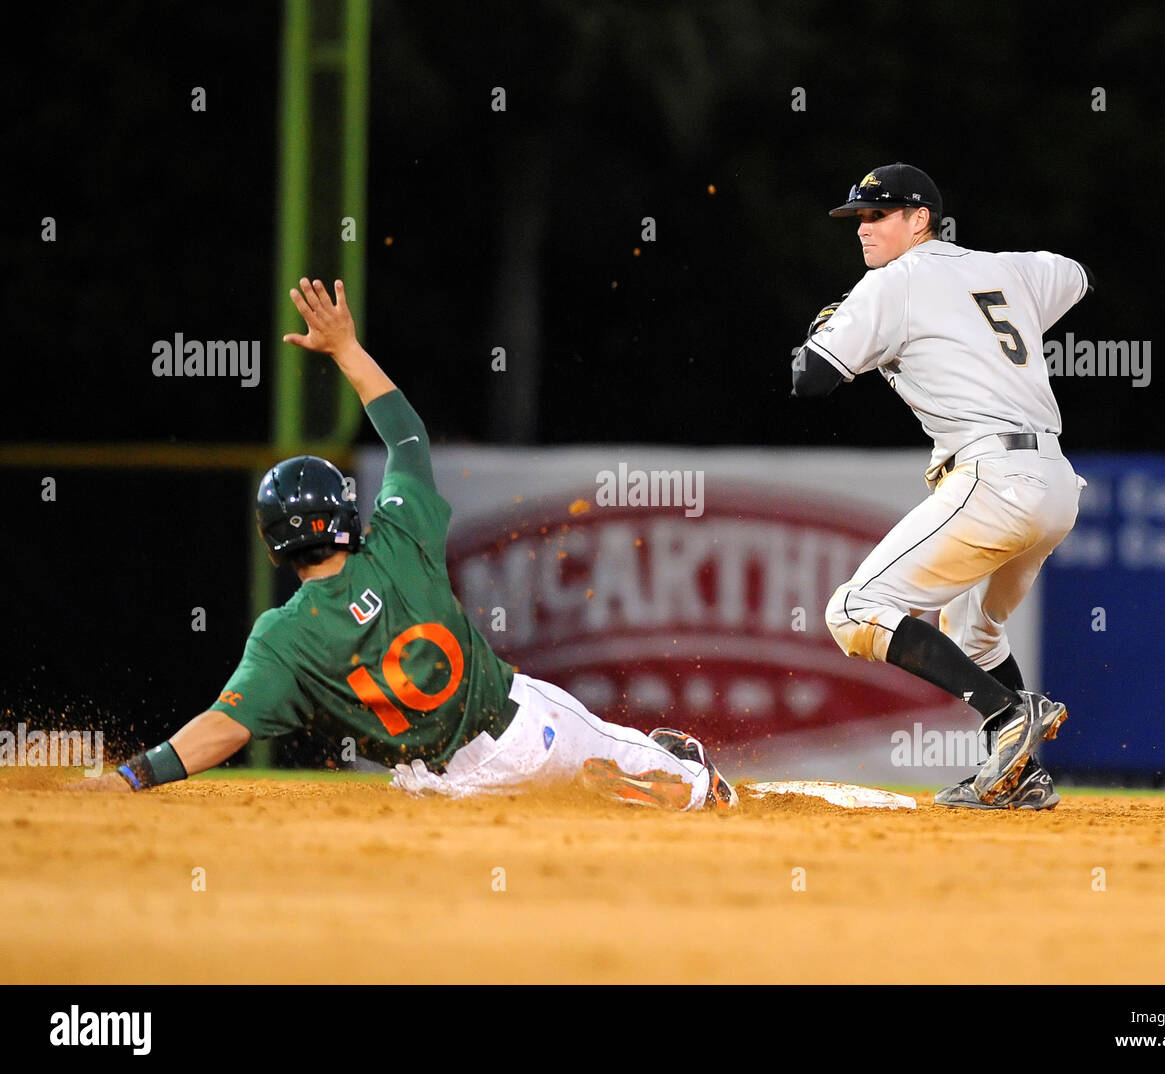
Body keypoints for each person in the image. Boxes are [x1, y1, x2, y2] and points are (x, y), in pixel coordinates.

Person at [77, 278, 734, 811]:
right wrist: (344, 349)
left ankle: (624, 777)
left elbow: (223, 728)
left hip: (446, 789)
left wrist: (130, 778)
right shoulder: (399, 539)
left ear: (275, 544)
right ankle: (691, 780)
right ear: (341, 512)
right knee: (665, 782)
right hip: (522, 729)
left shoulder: (285, 639)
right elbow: (408, 437)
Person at [792, 163, 1094, 809]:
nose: (864, 229)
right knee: (973, 634)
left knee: (853, 611)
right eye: (859, 218)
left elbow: (810, 380)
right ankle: (1021, 775)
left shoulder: (889, 284)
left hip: (993, 479)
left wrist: (824, 328)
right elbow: (1077, 274)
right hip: (1055, 486)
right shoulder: (1010, 269)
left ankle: (1006, 716)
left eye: (879, 214)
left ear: (920, 218)